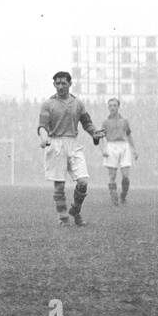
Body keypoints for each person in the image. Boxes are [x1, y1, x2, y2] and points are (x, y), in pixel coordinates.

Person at [37, 71, 100, 227]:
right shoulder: (48, 104)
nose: (60, 86)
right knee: (59, 185)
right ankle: (63, 218)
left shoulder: (78, 103)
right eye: (57, 83)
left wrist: (94, 133)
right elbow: (42, 126)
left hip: (73, 143)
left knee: (83, 181)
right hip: (56, 143)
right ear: (54, 85)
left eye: (63, 83)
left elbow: (87, 123)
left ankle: (75, 209)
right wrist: (44, 137)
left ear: (70, 84)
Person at [99, 97, 137, 206]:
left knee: (125, 175)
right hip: (111, 146)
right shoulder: (105, 122)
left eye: (114, 105)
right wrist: (103, 150)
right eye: (110, 105)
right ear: (108, 107)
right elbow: (101, 137)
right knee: (112, 175)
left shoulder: (124, 121)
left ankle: (123, 195)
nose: (112, 107)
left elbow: (129, 135)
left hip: (124, 146)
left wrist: (134, 149)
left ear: (118, 107)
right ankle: (113, 196)